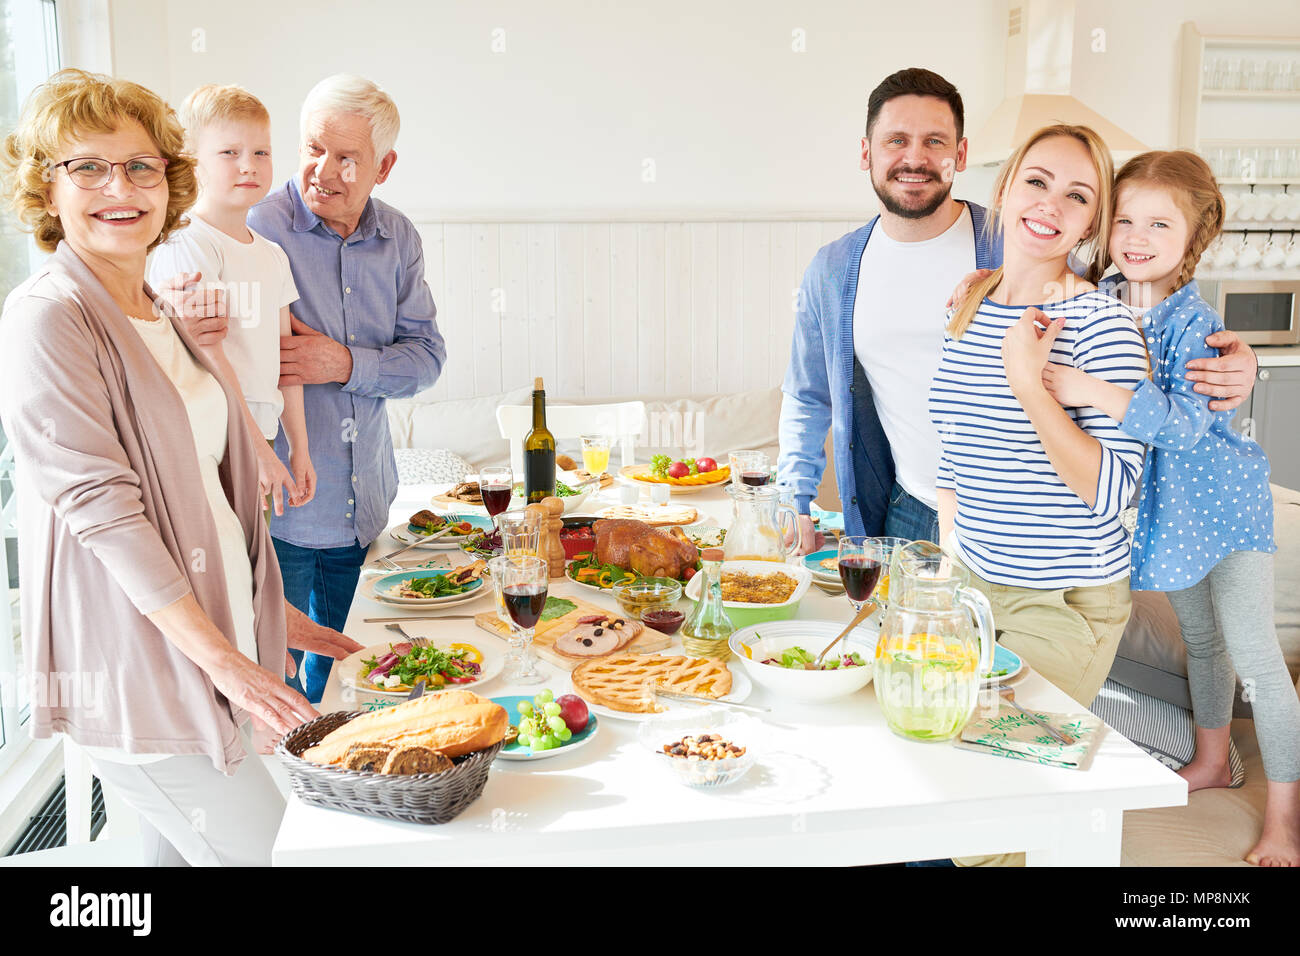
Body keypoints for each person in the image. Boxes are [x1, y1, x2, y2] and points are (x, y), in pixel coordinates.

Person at [0, 69, 361, 866]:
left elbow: (201, 490)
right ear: (45, 188)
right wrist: (228, 661)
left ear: (169, 181)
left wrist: (272, 614)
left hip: (201, 647)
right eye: (86, 167)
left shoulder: (156, 312)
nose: (118, 187)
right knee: (276, 855)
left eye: (140, 166)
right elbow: (106, 510)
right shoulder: (48, 317)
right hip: (139, 669)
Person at [777, 68, 1261, 554]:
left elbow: (1132, 307)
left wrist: (1238, 361)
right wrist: (794, 496)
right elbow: (807, 394)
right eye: (896, 140)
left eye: (935, 141)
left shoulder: (1027, 236)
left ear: (960, 155)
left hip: (1027, 529)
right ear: (867, 152)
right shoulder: (834, 269)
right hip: (907, 505)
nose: (915, 158)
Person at [1040, 150, 1300, 867]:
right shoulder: (1103, 297)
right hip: (1168, 515)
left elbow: (1185, 426)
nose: (1137, 235)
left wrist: (1092, 391)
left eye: (1159, 222)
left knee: (1254, 655)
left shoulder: (1194, 319)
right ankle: (1212, 761)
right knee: (1204, 644)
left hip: (1229, 508)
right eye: (1125, 219)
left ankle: (1285, 820)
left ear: (1195, 237)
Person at [933, 124, 1146, 710]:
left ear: (1091, 224)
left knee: (1008, 763)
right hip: (969, 583)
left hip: (1061, 600)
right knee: (931, 740)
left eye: (1077, 196)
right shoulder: (966, 306)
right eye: (1037, 181)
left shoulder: (1105, 324)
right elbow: (954, 456)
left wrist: (1030, 385)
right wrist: (951, 565)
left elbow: (1111, 493)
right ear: (1004, 190)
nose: (1050, 204)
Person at [247, 74, 446, 703]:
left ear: (383, 167)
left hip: (366, 508)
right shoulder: (256, 228)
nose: (321, 171)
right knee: (276, 687)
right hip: (278, 509)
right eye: (312, 148)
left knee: (357, 678)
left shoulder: (399, 239)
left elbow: (427, 358)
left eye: (346, 158)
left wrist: (343, 363)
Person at [149, 83, 315, 517]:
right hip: (215, 439)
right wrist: (257, 450)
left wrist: (298, 447)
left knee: (254, 569)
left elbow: (287, 359)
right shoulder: (187, 244)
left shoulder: (273, 254)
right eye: (229, 153)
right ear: (192, 162)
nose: (250, 165)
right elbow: (210, 357)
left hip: (260, 434)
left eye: (261, 152)